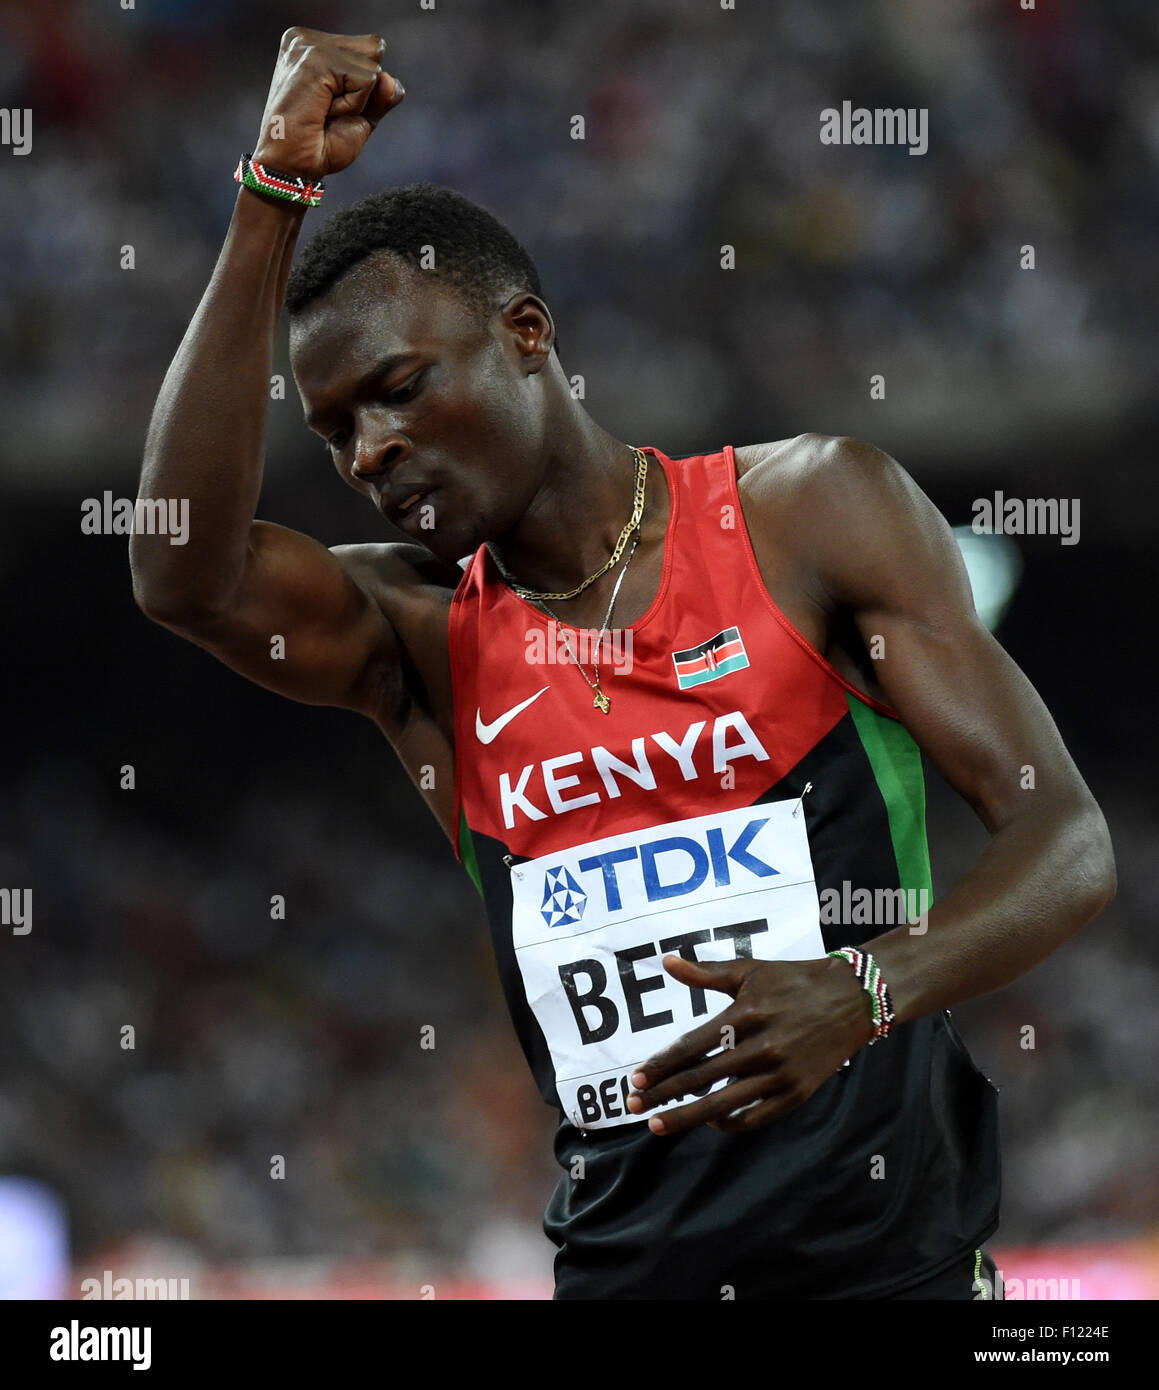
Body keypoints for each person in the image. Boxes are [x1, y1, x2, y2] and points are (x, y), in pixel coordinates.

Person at [130, 28, 1116, 1300]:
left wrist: (864, 989)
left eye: (398, 388)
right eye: (333, 432)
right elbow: (178, 572)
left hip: (891, 1276)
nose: (369, 451)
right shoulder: (419, 637)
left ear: (526, 333)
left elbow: (1068, 843)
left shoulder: (808, 514)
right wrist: (271, 187)